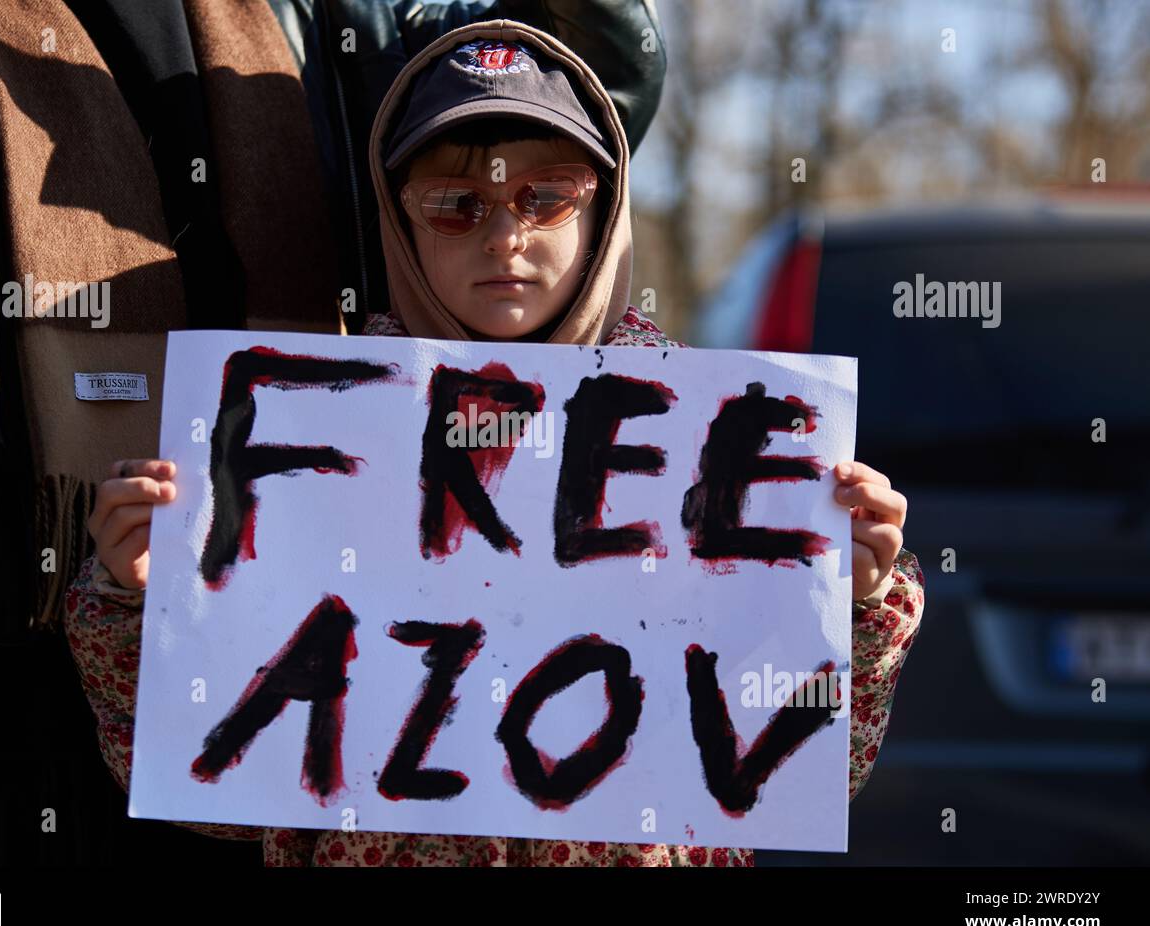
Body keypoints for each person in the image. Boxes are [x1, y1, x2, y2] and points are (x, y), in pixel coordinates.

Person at [66, 21, 925, 866]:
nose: (504, 237)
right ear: (398, 220)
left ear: (605, 204)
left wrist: (852, 602)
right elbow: (204, 783)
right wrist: (137, 599)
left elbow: (808, 770)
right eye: (455, 206)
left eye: (545, 196)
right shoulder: (305, 434)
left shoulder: (710, 448)